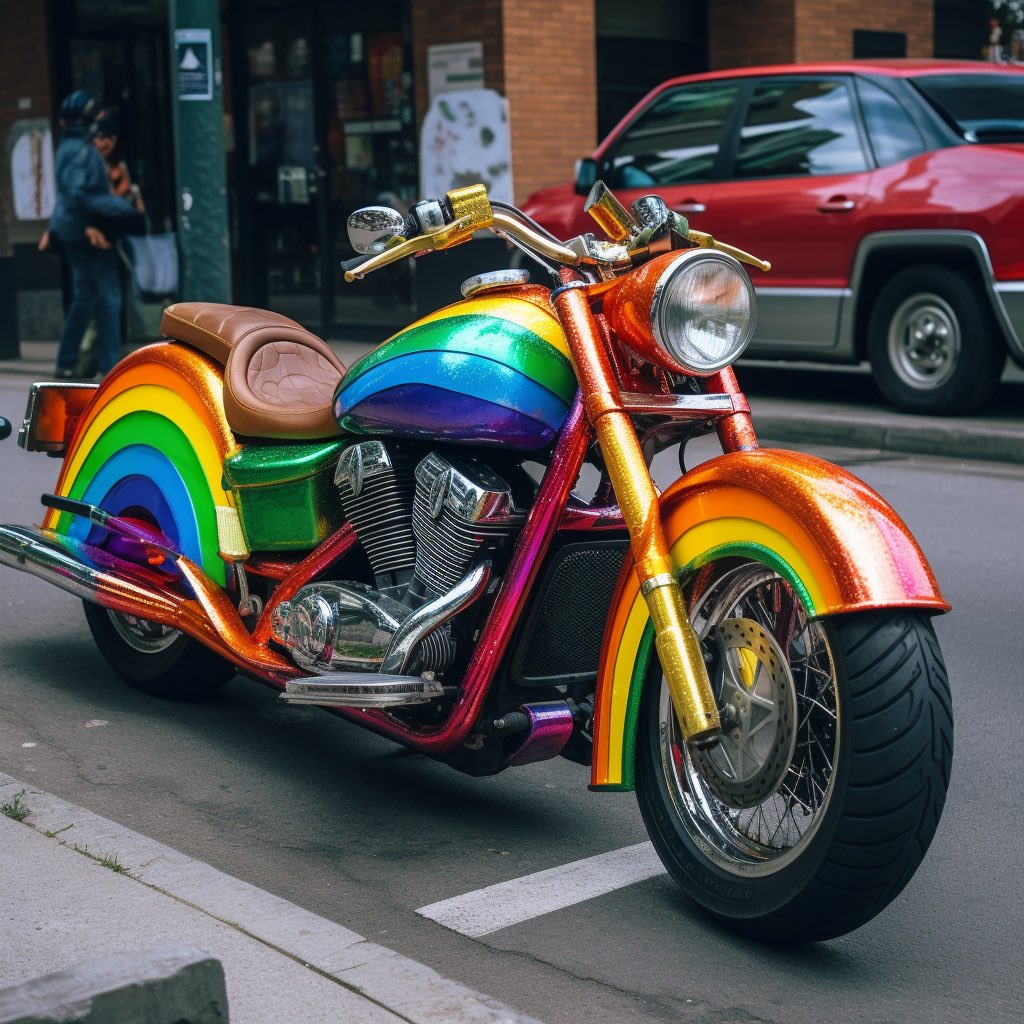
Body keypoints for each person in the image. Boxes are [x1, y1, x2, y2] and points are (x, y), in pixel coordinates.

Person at [47, 90, 144, 379]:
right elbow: (79, 194)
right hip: (90, 232)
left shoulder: (67, 147)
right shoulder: (81, 151)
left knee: (85, 296)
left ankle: (66, 362)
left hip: (73, 230)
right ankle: (108, 367)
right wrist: (116, 209)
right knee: (110, 297)